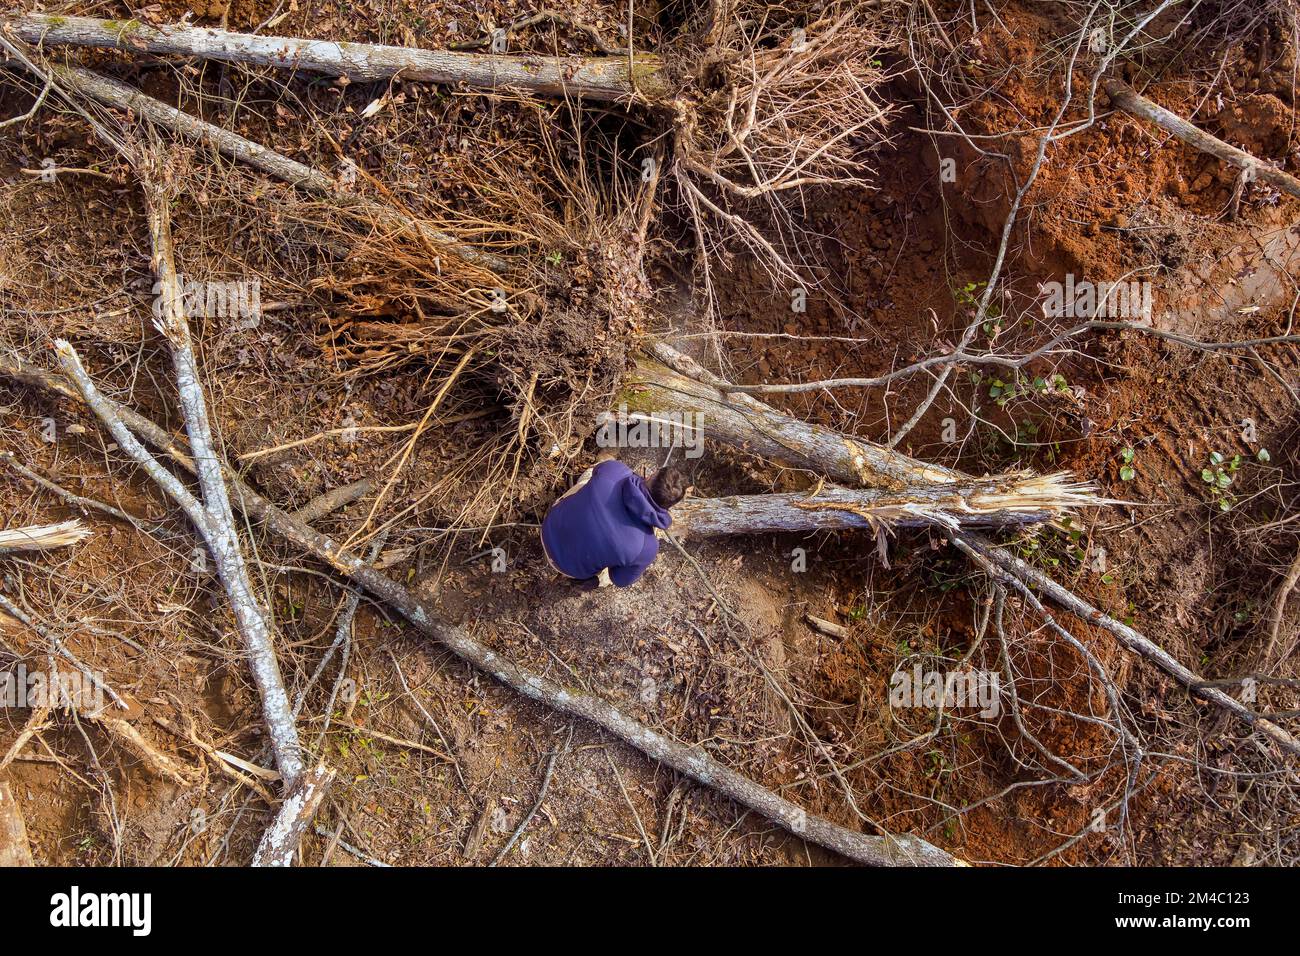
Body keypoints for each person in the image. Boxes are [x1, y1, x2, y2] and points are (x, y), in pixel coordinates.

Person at [541, 458, 688, 588]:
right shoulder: (647, 548)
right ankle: (588, 582)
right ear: (669, 506)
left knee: (590, 479)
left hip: (548, 527)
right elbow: (619, 580)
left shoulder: (615, 471)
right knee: (618, 567)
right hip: (567, 569)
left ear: (651, 475)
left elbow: (598, 469)